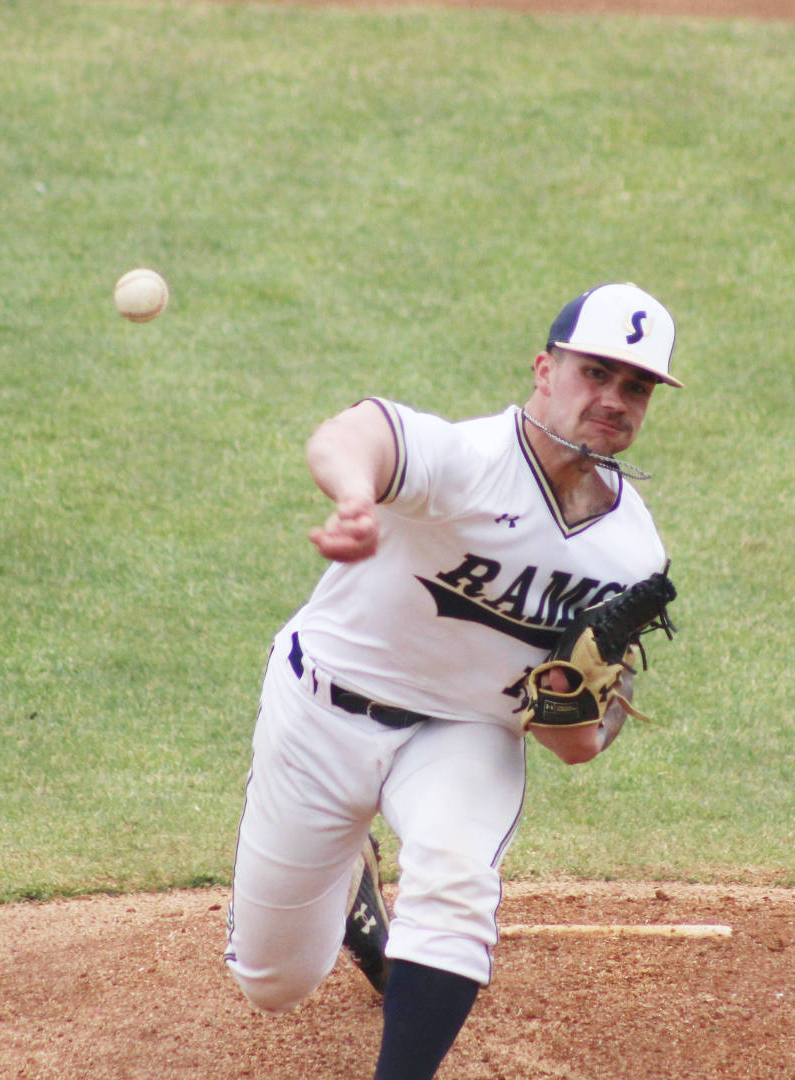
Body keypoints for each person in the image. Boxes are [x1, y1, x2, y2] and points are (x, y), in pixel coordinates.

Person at [224, 282, 682, 1080]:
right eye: (596, 373)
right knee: (273, 982)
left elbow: (572, 744)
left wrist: (582, 713)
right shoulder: (470, 461)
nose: (614, 398)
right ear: (546, 369)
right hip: (323, 711)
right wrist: (359, 497)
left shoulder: (632, 556)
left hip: (463, 733)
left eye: (635, 384)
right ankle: (355, 889)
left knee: (456, 883)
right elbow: (353, 433)